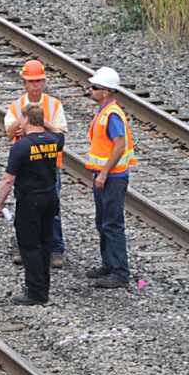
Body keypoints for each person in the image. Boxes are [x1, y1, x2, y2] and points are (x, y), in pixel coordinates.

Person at [0, 110, 64, 305]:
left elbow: (8, 180)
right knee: (45, 242)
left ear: (26, 119)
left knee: (29, 246)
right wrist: (44, 122)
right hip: (51, 198)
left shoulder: (21, 147)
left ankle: (35, 292)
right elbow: (57, 131)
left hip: (29, 201)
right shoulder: (54, 140)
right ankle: (44, 288)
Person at [2, 59, 67, 268]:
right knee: (24, 208)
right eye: (31, 81)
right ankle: (24, 245)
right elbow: (10, 130)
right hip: (25, 166)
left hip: (49, 165)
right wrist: (39, 127)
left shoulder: (54, 105)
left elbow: (60, 132)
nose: (35, 85)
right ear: (24, 83)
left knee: (52, 207)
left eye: (39, 81)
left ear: (44, 81)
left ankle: (55, 248)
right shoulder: (15, 106)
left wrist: (36, 122)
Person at [84, 66, 135, 289]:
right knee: (103, 222)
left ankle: (119, 271)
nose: (90, 90)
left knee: (112, 224)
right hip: (107, 176)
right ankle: (108, 263)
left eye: (94, 87)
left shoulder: (112, 114)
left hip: (113, 177)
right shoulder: (105, 112)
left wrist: (104, 172)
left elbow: (120, 145)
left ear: (105, 91)